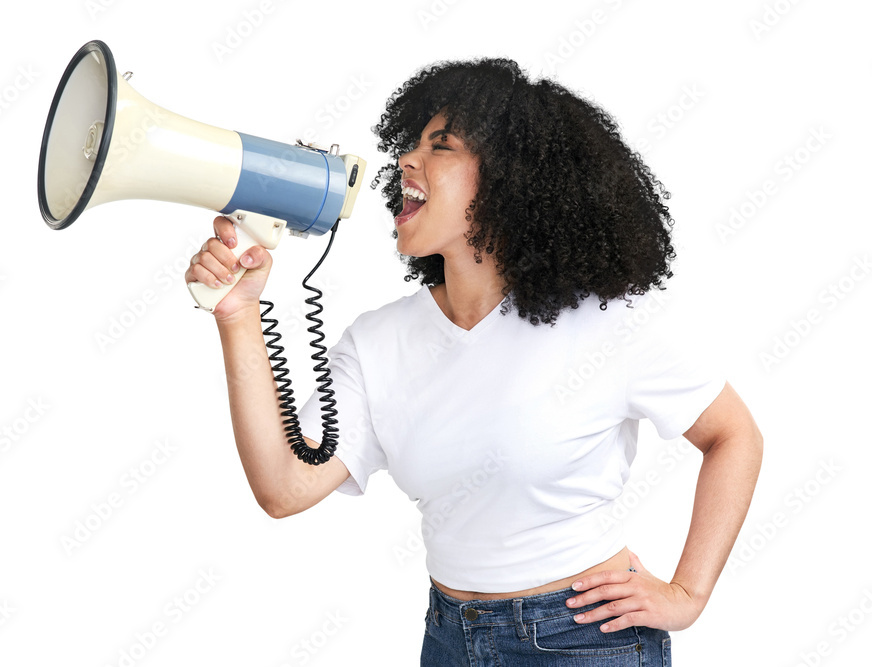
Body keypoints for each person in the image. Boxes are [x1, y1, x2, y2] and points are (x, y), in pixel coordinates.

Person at [185, 57, 763, 666]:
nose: (406, 160)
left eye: (441, 146)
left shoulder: (609, 322)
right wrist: (238, 316)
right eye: (412, 144)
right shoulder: (379, 341)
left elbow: (734, 435)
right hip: (450, 638)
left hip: (583, 639)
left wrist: (689, 593)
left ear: (510, 179)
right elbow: (284, 487)